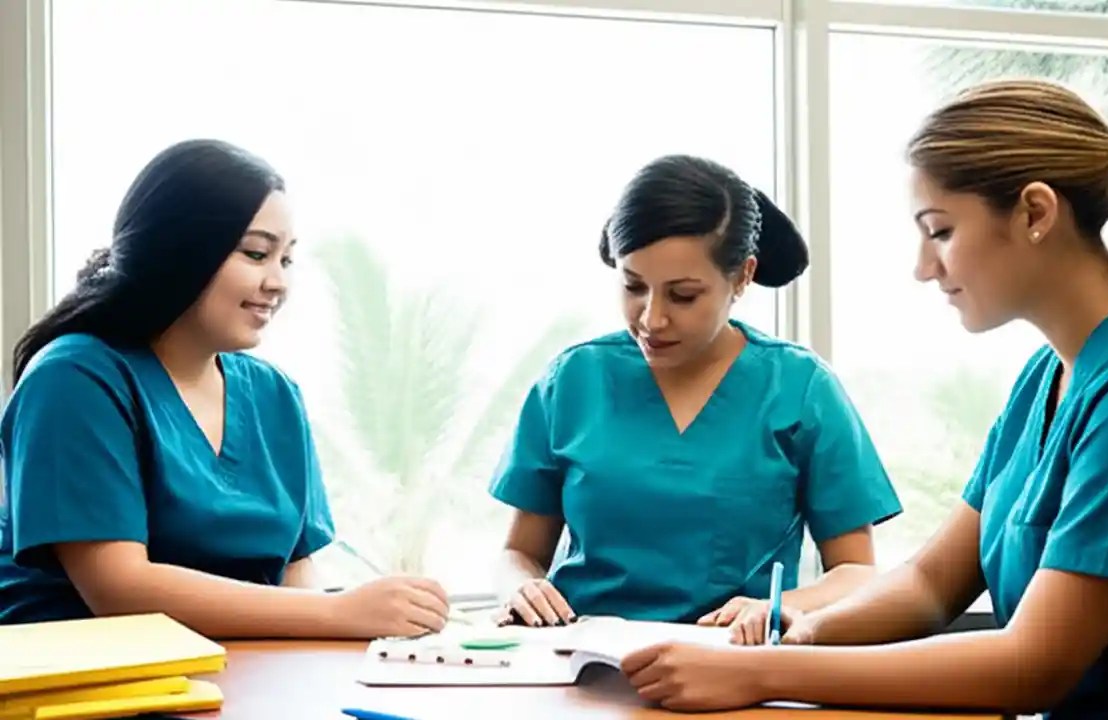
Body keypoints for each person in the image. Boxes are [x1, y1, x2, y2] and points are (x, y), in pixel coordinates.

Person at [615, 80, 1108, 717]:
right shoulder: (1048, 378)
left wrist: (758, 674)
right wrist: (797, 635)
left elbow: (1033, 665)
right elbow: (930, 585)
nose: (923, 266)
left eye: (939, 232)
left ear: (1035, 213)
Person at [0, 139, 451, 638]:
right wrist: (340, 613)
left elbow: (294, 573)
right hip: (92, 692)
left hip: (241, 680)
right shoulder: (74, 379)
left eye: (287, 260)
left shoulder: (275, 395)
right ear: (179, 250)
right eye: (257, 254)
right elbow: (117, 589)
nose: (277, 282)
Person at [489, 154, 901, 633]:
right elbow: (519, 553)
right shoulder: (572, 381)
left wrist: (778, 606)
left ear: (743, 276)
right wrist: (520, 586)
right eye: (633, 286)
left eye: (683, 295)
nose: (651, 318)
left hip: (730, 666)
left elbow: (856, 574)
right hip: (578, 662)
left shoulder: (800, 388)